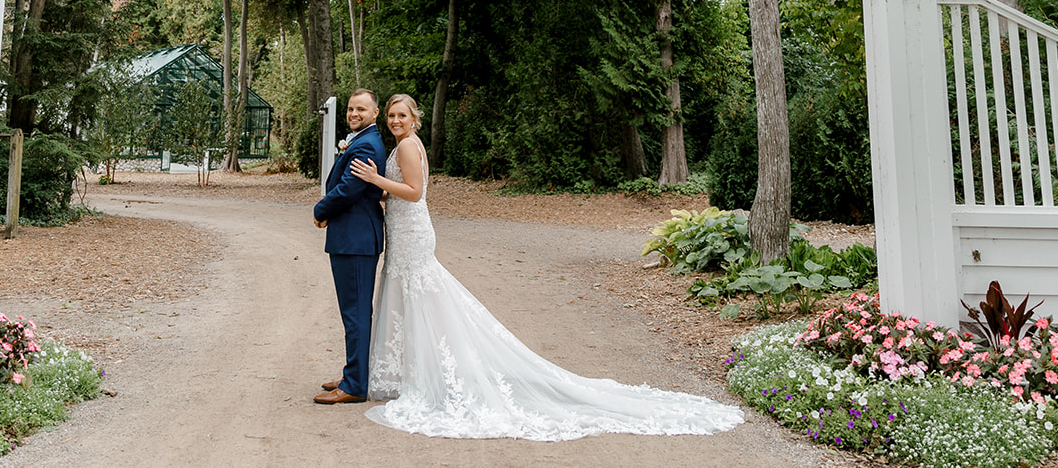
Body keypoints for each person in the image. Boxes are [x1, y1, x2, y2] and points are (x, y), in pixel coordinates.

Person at [349, 93, 744, 440]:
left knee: (423, 300)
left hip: (413, 233)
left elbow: (414, 193)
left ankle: (428, 376)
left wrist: (374, 180)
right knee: (418, 301)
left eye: (403, 116)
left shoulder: (406, 147)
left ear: (415, 119)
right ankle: (418, 371)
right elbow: (402, 195)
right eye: (392, 117)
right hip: (405, 232)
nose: (396, 121)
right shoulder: (407, 145)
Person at [311, 88, 387, 405]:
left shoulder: (367, 144)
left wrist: (320, 210)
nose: (354, 113)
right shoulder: (360, 140)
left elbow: (347, 190)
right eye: (351, 109)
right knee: (352, 312)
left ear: (375, 113)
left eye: (361, 109)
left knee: (355, 313)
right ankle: (352, 373)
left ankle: (355, 385)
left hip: (356, 240)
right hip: (350, 237)